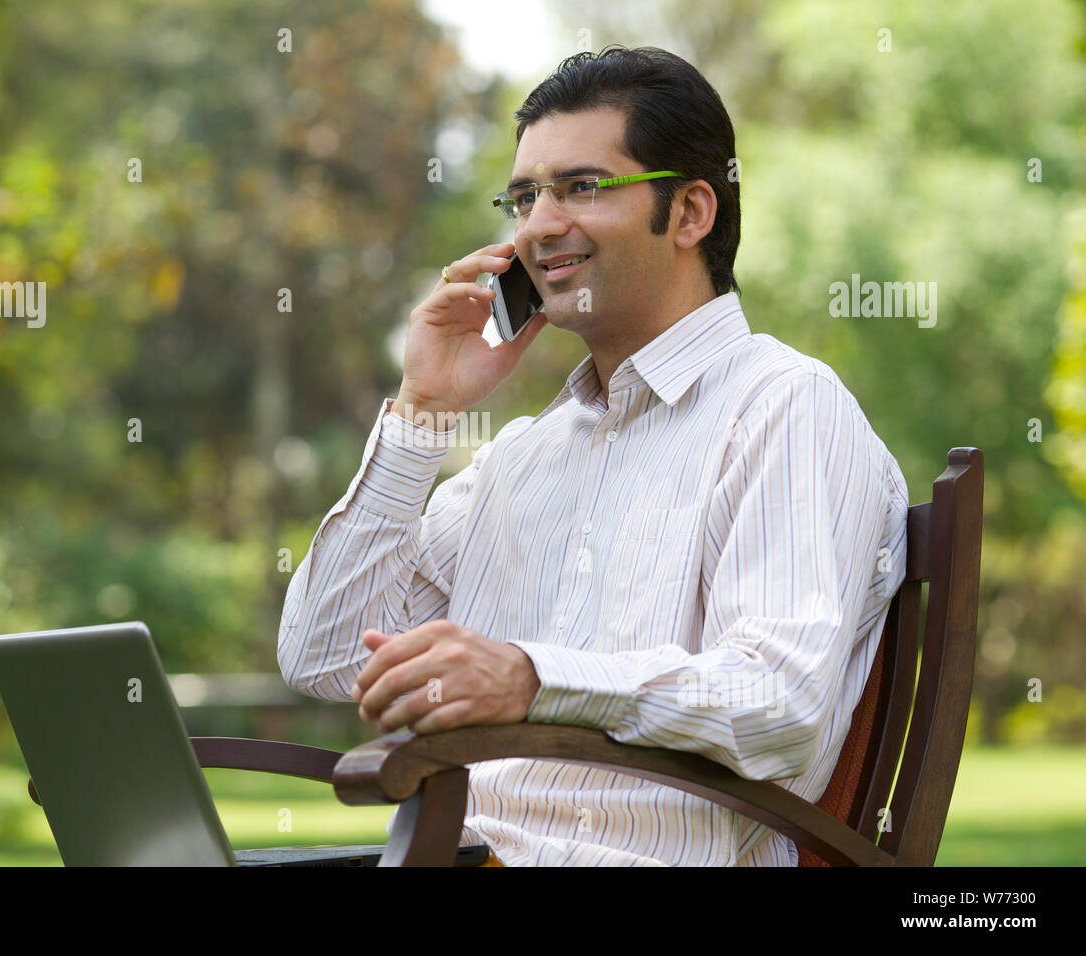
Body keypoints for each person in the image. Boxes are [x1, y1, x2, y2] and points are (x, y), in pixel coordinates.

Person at [277, 45, 908, 866]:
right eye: (524, 196)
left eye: (581, 187)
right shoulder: (522, 456)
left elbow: (778, 705)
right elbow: (326, 655)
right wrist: (424, 411)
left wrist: (535, 680)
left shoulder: (786, 406)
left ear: (690, 214)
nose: (539, 225)